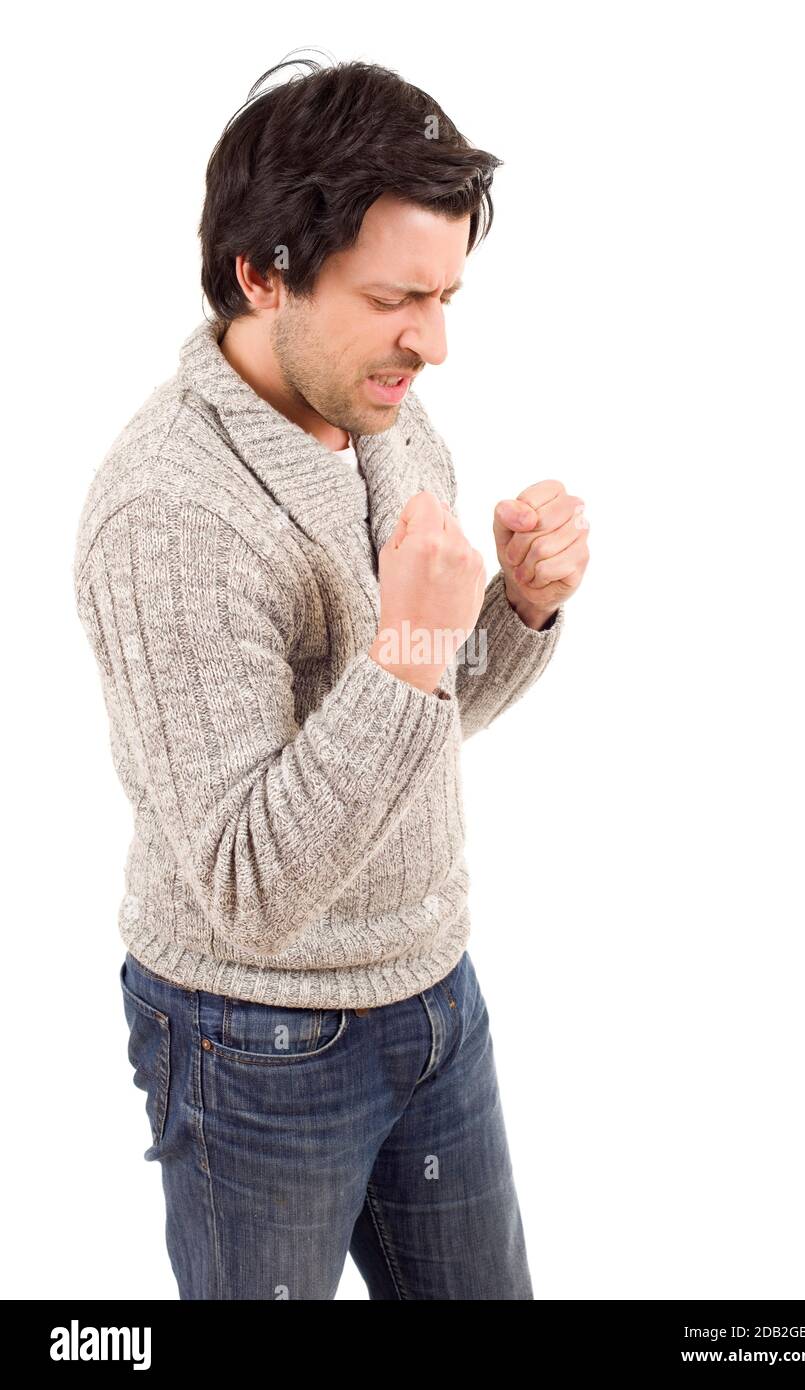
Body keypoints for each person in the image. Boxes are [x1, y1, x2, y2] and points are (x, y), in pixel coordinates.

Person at [72, 55, 590, 1300]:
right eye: (396, 296)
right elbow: (250, 883)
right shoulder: (167, 516)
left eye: (448, 292)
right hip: (254, 1038)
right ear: (262, 274)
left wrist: (514, 610)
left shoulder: (383, 412)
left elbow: (425, 718)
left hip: (432, 994)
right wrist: (408, 645)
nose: (436, 342)